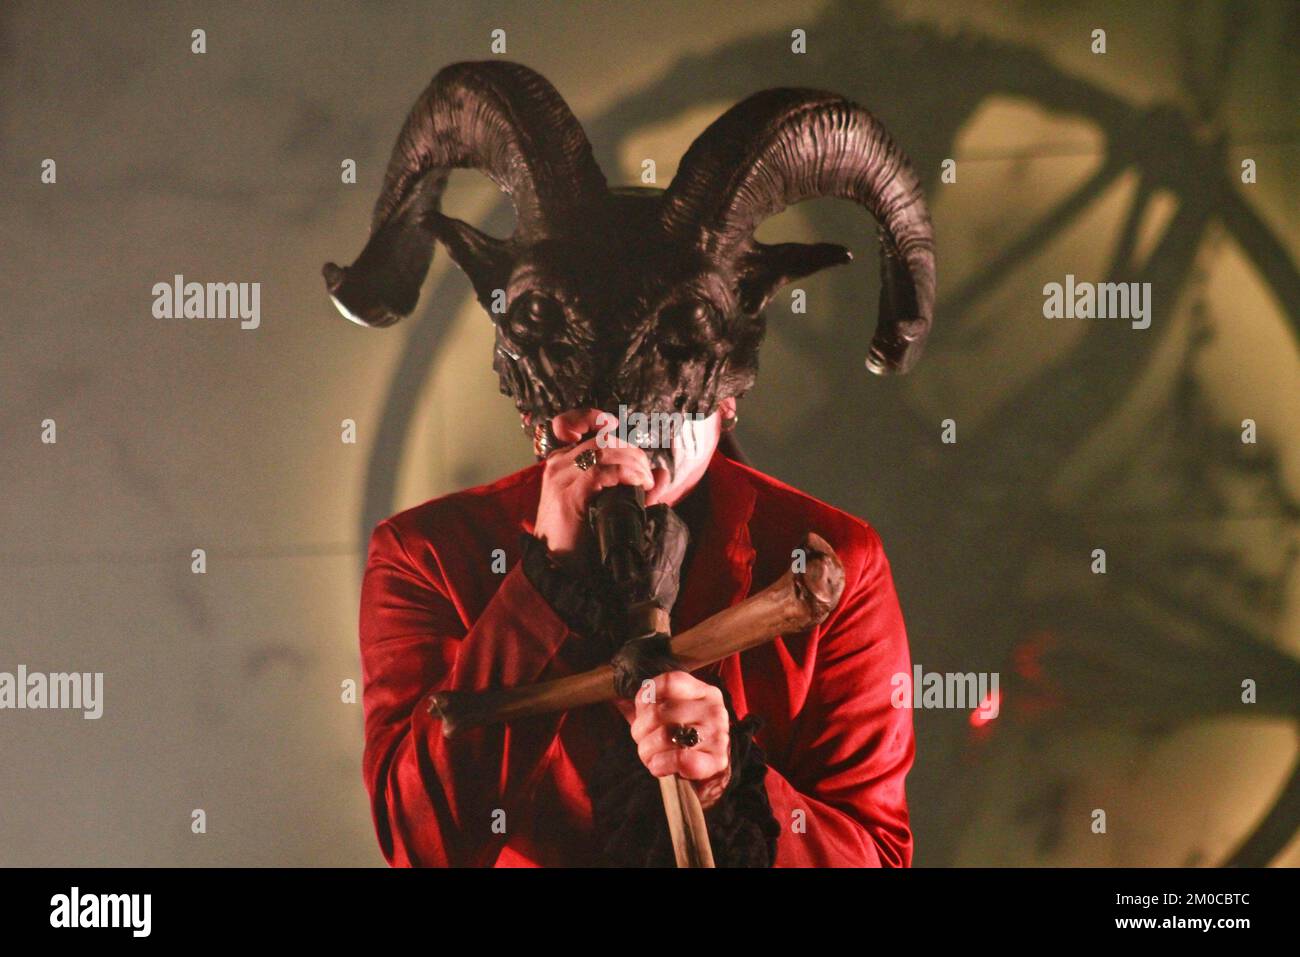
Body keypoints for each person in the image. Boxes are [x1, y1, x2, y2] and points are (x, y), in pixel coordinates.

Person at [358, 397, 916, 866]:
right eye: (576, 385)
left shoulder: (838, 557)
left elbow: (873, 854)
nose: (609, 421)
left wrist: (730, 786)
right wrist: (540, 592)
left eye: (662, 374)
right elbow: (420, 843)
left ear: (727, 393)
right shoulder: (426, 554)